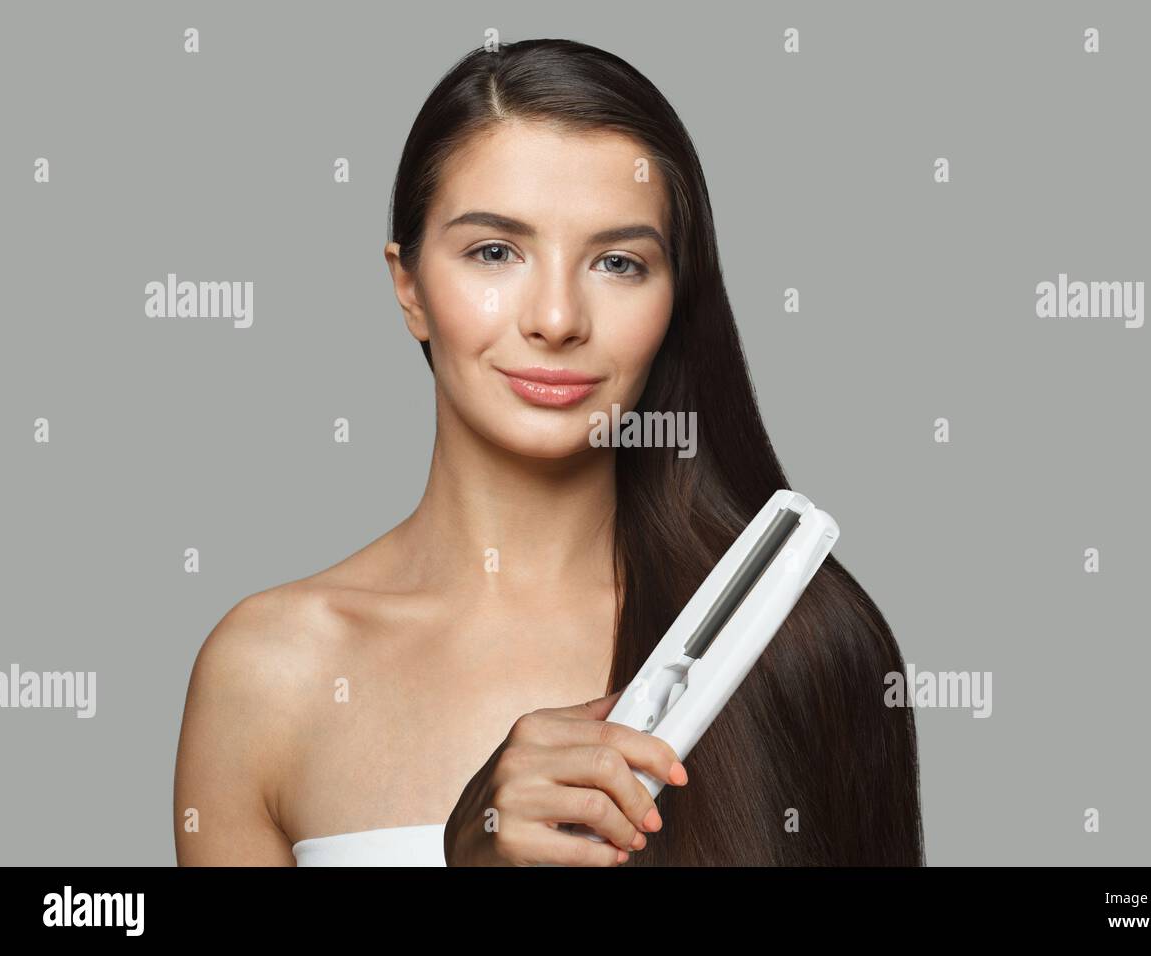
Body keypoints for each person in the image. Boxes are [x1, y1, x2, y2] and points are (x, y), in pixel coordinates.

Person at [173, 38, 924, 866]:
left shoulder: (799, 641)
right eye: (495, 252)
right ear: (410, 287)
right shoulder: (266, 674)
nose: (558, 318)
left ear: (676, 298)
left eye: (617, 263)